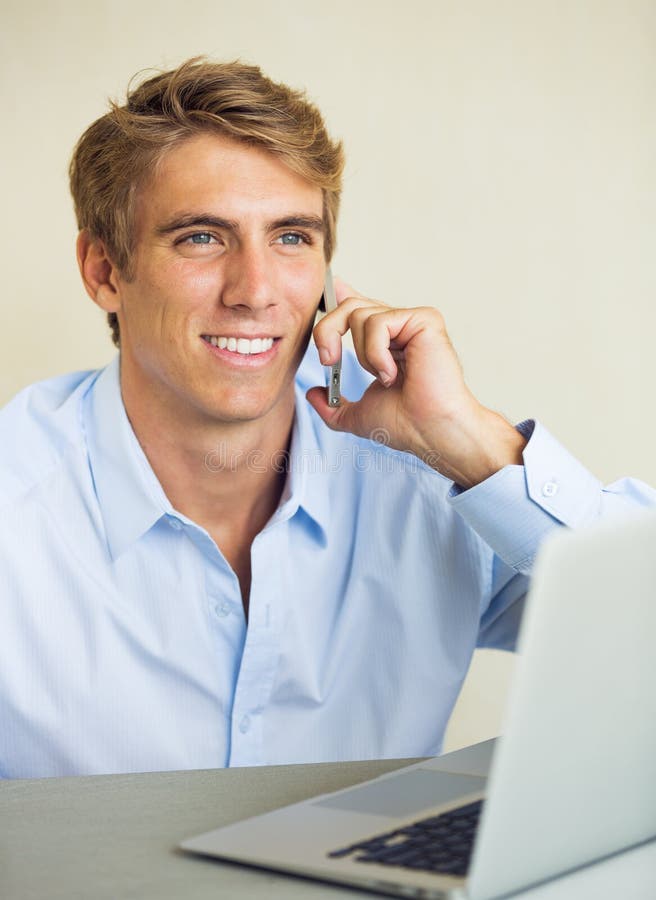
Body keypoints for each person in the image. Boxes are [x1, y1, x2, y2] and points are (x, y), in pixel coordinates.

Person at [0, 58, 652, 779]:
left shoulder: (426, 478)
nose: (255, 291)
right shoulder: (17, 506)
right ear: (103, 272)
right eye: (201, 237)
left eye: (290, 238)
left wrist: (473, 445)